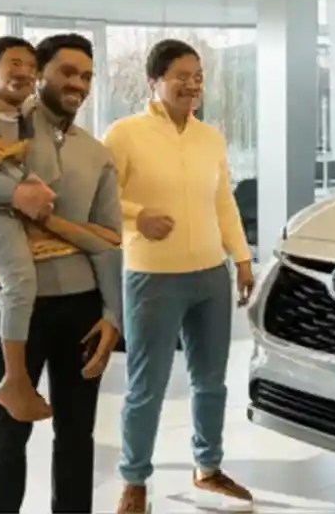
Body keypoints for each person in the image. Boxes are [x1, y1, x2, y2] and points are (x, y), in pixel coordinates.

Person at [0, 33, 124, 514]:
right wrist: (15, 199)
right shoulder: (1, 127)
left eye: (86, 75)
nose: (77, 83)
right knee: (6, 434)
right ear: (40, 74)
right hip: (14, 306)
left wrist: (114, 315)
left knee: (77, 436)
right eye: (67, 72)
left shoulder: (96, 154)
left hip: (82, 309)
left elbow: (111, 240)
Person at [102, 39, 255, 514]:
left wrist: (243, 258)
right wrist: (136, 216)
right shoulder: (124, 134)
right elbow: (99, 199)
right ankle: (134, 481)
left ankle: (208, 469)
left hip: (211, 275)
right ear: (155, 81)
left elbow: (222, 201)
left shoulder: (210, 137)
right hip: (152, 277)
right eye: (181, 76)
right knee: (147, 385)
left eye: (198, 76)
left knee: (211, 382)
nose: (192, 85)